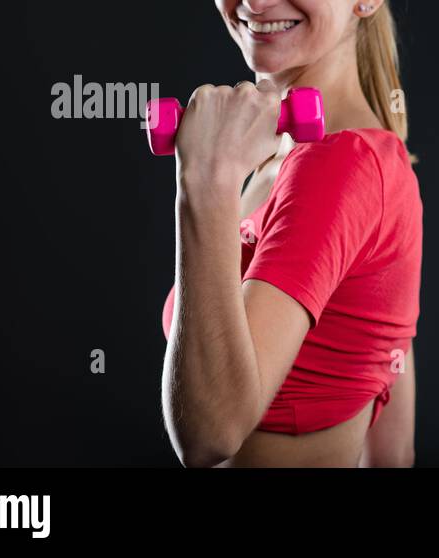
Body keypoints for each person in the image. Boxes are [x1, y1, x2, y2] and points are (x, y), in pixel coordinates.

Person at [159, 0, 421, 468]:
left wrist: (206, 181)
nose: (256, 3)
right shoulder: (327, 157)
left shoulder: (337, 165)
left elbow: (209, 434)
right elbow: (393, 451)